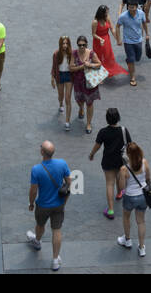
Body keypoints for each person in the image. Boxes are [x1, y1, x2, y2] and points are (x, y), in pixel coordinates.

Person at [27, 141, 70, 271]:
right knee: (56, 230)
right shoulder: (62, 163)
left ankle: (37, 241)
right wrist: (65, 200)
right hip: (58, 204)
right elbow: (69, 182)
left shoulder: (36, 169)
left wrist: (31, 203)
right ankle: (55, 260)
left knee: (40, 225)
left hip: (43, 205)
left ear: (42, 152)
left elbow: (33, 190)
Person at [88, 108, 127, 220]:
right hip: (120, 160)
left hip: (108, 161)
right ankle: (120, 193)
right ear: (118, 118)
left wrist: (92, 154)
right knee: (120, 177)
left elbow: (97, 145)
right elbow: (129, 144)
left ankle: (110, 210)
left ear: (107, 119)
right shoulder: (123, 130)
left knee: (110, 183)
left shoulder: (103, 132)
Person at [116, 141, 151, 256]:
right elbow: (148, 179)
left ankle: (127, 240)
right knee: (141, 221)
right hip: (142, 196)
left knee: (126, 217)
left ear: (128, 154)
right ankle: (142, 247)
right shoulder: (145, 163)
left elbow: (121, 188)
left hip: (130, 196)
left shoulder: (124, 169)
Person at [116, 0, 148, 87]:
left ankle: (129, 60)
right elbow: (117, 26)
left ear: (136, 6)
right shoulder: (123, 16)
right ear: (128, 7)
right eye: (130, 7)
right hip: (128, 41)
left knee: (138, 58)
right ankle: (132, 77)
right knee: (132, 59)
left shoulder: (141, 14)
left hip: (138, 40)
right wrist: (119, 39)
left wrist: (147, 34)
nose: (132, 9)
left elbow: (144, 23)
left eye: (133, 7)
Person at [68, 34, 102, 131]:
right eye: (79, 45)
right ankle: (81, 108)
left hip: (90, 83)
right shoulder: (74, 54)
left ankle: (88, 124)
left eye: (83, 45)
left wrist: (90, 64)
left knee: (89, 103)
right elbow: (71, 68)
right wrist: (81, 67)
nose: (81, 47)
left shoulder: (91, 54)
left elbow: (99, 64)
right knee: (79, 100)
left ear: (86, 44)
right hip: (78, 83)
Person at [92, 5, 126, 80]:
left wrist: (117, 39)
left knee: (108, 55)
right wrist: (100, 39)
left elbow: (112, 29)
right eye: (106, 13)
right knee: (99, 57)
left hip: (106, 39)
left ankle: (108, 70)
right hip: (98, 41)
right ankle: (99, 75)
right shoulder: (95, 22)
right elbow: (93, 34)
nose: (107, 14)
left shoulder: (107, 18)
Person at [51, 35, 73, 127]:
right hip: (59, 75)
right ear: (60, 44)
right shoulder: (56, 54)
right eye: (63, 43)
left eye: (66, 43)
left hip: (69, 76)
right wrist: (52, 78)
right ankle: (60, 103)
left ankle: (67, 121)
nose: (65, 45)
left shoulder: (71, 53)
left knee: (68, 98)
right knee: (61, 96)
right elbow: (54, 67)